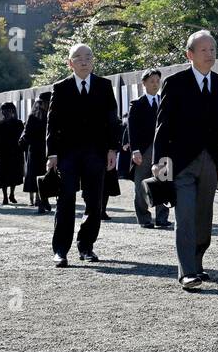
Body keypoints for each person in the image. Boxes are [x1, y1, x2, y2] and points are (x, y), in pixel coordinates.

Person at [153, 31, 218, 291]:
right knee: (185, 216)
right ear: (190, 55)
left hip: (210, 160)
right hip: (181, 162)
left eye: (212, 50)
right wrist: (160, 162)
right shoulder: (175, 83)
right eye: (204, 50)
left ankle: (197, 262)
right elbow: (163, 125)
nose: (210, 54)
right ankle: (186, 272)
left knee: (203, 216)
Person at [46, 43, 120, 268]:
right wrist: (52, 153)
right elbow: (53, 122)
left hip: (96, 152)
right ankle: (60, 249)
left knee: (94, 201)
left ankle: (86, 246)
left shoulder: (104, 86)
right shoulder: (61, 87)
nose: (84, 61)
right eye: (78, 57)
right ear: (70, 63)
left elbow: (112, 120)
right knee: (66, 199)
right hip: (68, 153)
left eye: (88, 56)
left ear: (93, 61)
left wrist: (112, 149)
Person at [126, 69, 170, 229]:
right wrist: (135, 150)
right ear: (144, 83)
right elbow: (132, 129)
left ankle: (162, 218)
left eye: (158, 81)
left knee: (164, 182)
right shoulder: (137, 104)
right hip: (143, 151)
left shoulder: (165, 102)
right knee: (141, 185)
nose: (155, 84)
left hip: (164, 150)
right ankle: (144, 218)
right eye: (151, 81)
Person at [20, 92, 51, 212]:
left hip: (45, 150)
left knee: (46, 175)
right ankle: (41, 200)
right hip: (37, 150)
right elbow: (27, 134)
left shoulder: (50, 115)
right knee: (39, 175)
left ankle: (44, 200)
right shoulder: (33, 117)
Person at [0, 102, 24, 205]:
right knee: (3, 175)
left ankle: (11, 194)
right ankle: (5, 196)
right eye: (4, 111)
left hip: (15, 152)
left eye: (9, 110)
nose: (6, 113)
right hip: (3, 153)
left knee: (14, 175)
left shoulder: (19, 123)